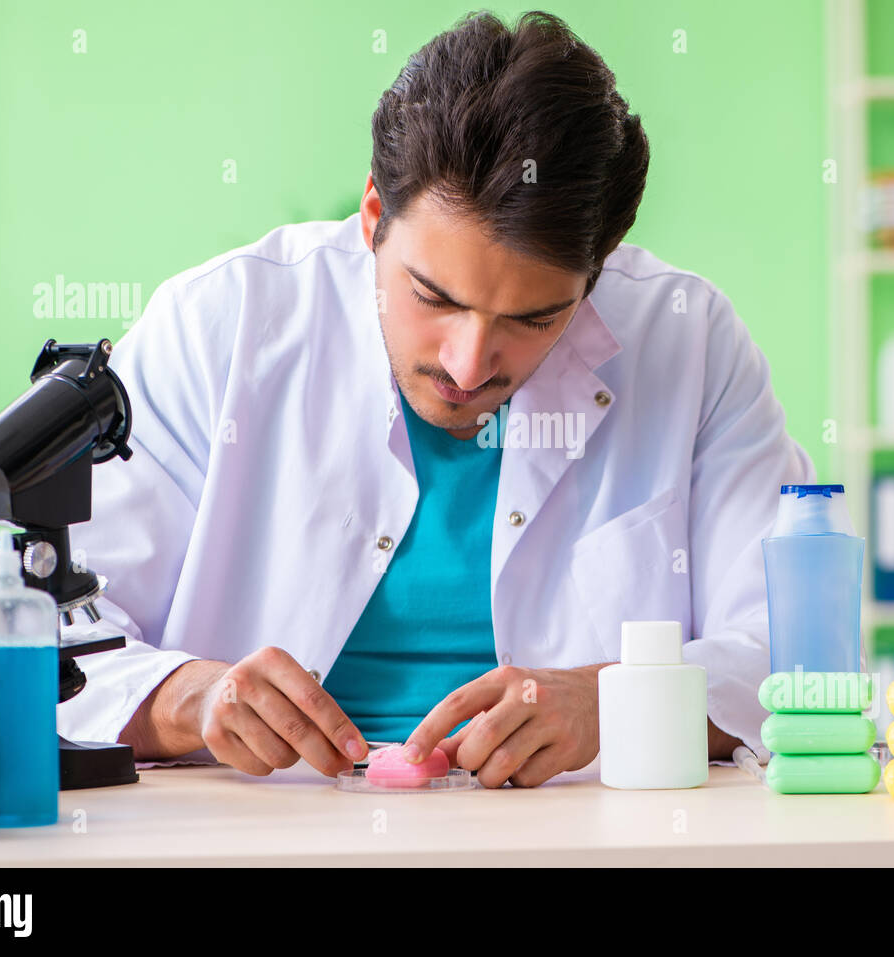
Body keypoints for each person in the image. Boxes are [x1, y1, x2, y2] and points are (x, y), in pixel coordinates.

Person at [60, 10, 814, 788]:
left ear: (596, 275)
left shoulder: (689, 341)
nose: (468, 363)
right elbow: (48, 631)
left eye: (533, 319)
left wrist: (616, 700)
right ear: (374, 217)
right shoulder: (219, 325)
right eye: (432, 296)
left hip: (582, 829)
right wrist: (193, 696)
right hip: (270, 826)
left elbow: (800, 650)